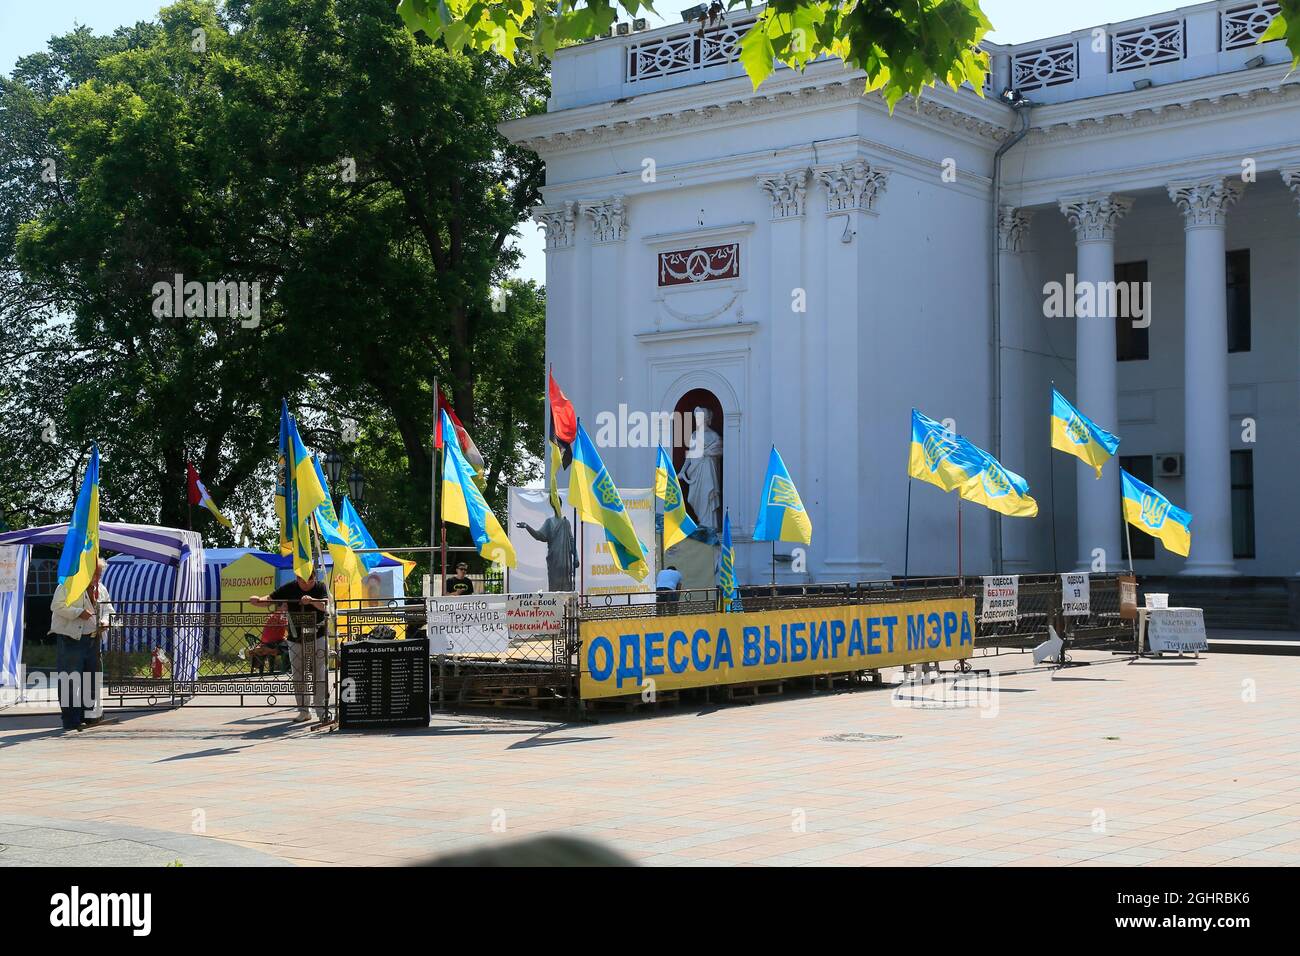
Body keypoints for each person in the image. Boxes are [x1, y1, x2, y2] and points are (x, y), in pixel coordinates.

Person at [251, 572, 330, 723]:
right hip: (295, 638)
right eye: (303, 581)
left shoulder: (320, 587)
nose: (307, 584)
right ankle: (303, 711)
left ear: (315, 578)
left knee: (319, 674)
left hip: (318, 636)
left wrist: (312, 601)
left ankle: (322, 711)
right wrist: (258, 600)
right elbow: (270, 599)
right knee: (298, 675)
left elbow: (326, 605)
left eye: (311, 580)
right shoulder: (290, 587)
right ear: (297, 579)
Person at [49, 557, 115, 731]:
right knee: (70, 680)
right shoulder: (68, 585)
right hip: (71, 640)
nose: (97, 578)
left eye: (99, 574)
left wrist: (105, 621)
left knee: (92, 679)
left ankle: (90, 716)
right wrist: (78, 612)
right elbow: (56, 606)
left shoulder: (101, 589)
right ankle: (71, 720)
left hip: (93, 639)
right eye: (95, 574)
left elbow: (109, 610)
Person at [516, 514, 577, 592]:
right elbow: (539, 535)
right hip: (553, 560)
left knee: (567, 586)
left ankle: (566, 603)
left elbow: (571, 540)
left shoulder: (566, 522)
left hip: (565, 561)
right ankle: (555, 603)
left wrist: (576, 557)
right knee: (554, 586)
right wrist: (527, 526)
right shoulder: (549, 522)